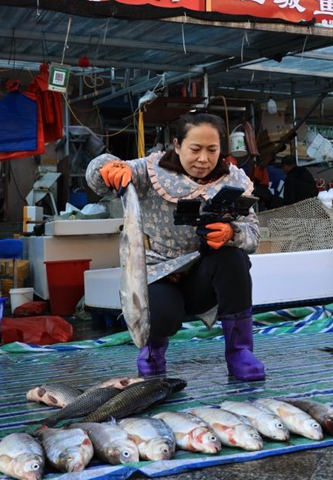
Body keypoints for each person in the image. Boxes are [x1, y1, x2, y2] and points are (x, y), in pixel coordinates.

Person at [85, 112, 265, 382]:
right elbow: (98, 176)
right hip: (160, 275)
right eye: (195, 149)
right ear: (177, 144)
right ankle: (152, 352)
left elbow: (253, 235)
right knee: (160, 317)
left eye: (212, 150)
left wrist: (232, 232)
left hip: (203, 280)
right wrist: (108, 168)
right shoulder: (150, 171)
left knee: (233, 258)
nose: (203, 159)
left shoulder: (234, 181)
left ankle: (240, 353)